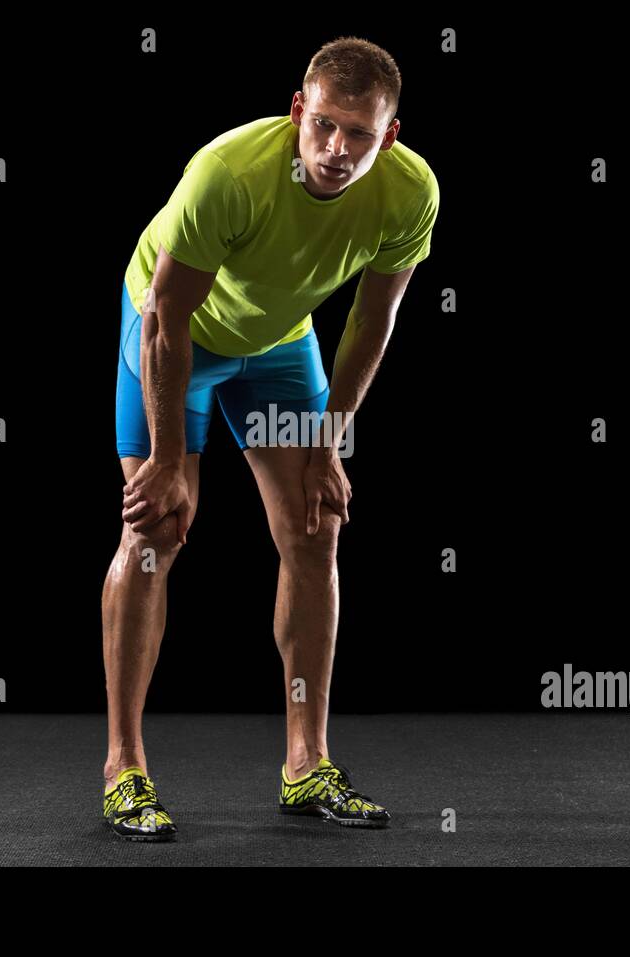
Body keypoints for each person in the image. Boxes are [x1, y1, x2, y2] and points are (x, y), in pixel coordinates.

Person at [102, 36, 439, 840]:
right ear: (298, 111)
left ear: (389, 137)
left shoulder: (409, 194)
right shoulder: (229, 173)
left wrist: (328, 443)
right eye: (323, 125)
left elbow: (372, 320)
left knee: (315, 527)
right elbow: (167, 319)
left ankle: (306, 764)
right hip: (175, 337)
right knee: (154, 532)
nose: (336, 149)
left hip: (280, 347)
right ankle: (125, 769)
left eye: (359, 134)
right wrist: (167, 459)